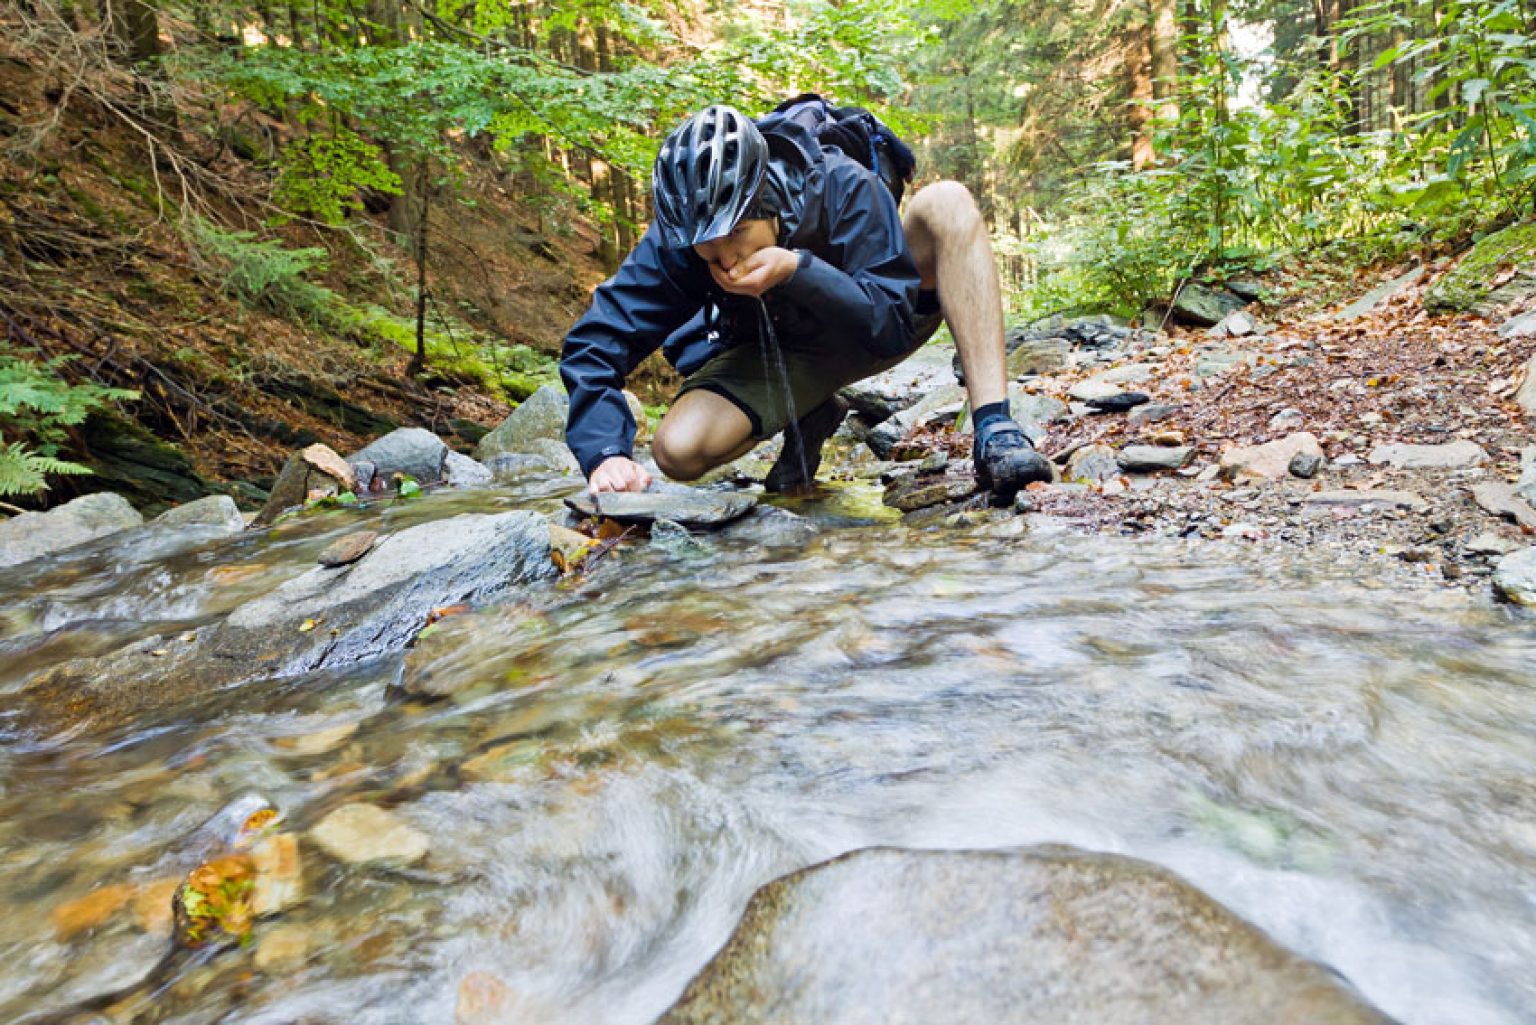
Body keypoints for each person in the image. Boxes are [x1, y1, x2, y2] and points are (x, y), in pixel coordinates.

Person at [559, 102, 1052, 502]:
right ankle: (812, 413)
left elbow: (892, 329)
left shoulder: (842, 186)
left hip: (882, 318)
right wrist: (605, 453)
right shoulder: (679, 241)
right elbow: (596, 344)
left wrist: (799, 271)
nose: (727, 259)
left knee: (946, 201)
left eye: (738, 235)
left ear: (766, 200)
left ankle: (995, 428)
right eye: (708, 248)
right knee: (677, 451)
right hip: (784, 355)